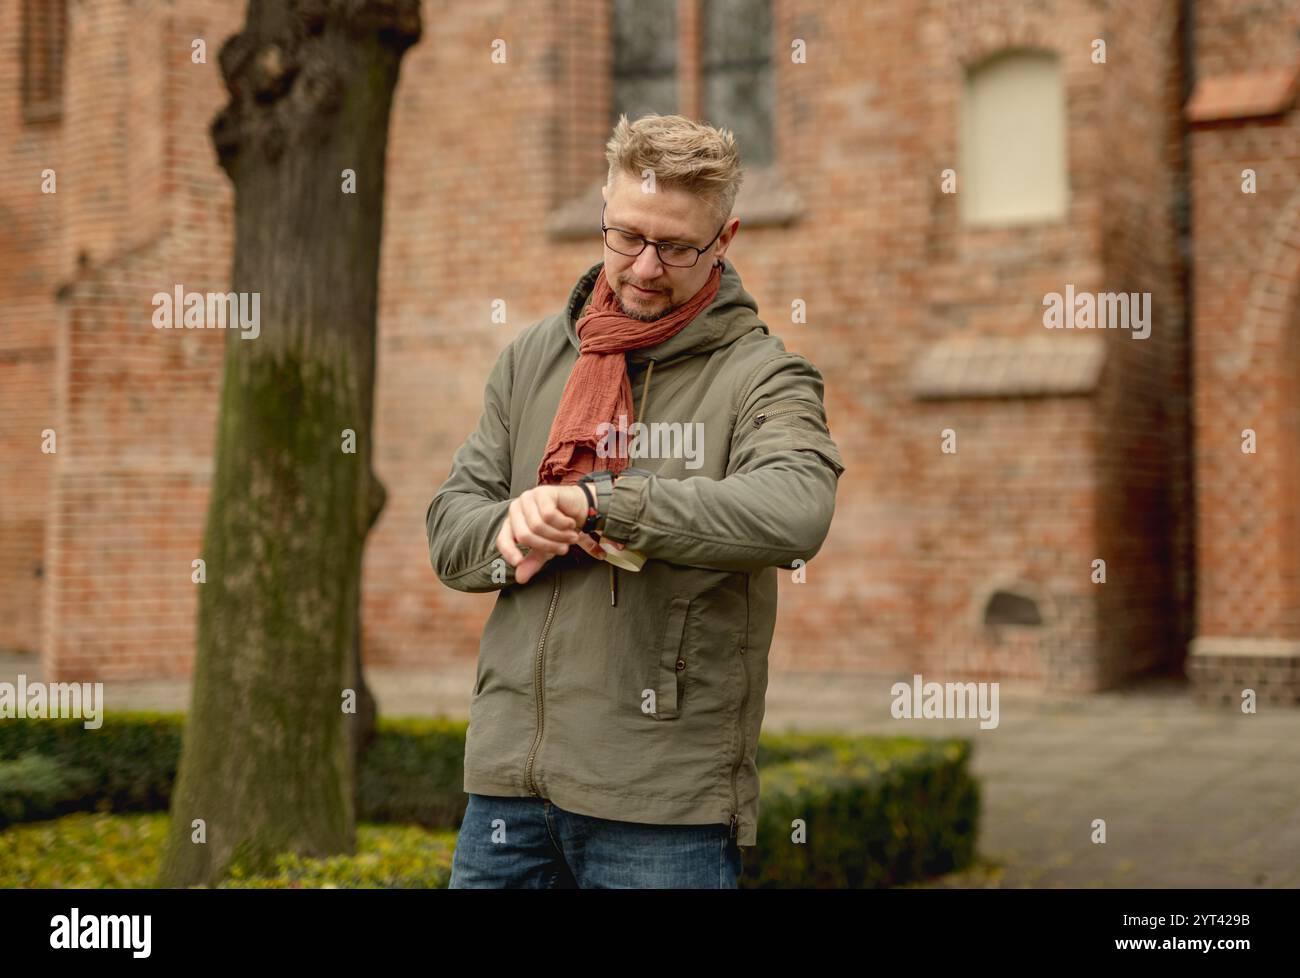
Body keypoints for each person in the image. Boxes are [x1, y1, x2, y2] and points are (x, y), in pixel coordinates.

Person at [426, 112, 845, 888]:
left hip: (660, 806)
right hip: (506, 791)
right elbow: (451, 534)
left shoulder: (765, 376)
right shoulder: (530, 360)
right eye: (627, 237)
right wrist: (510, 525)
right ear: (604, 219)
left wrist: (603, 503)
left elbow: (796, 509)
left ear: (726, 239)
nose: (646, 268)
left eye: (678, 246)